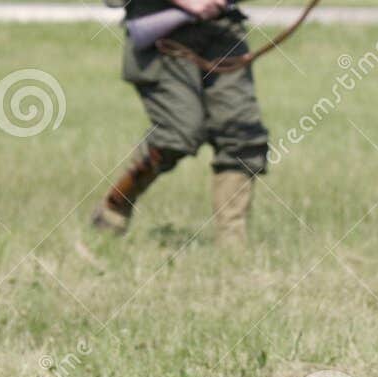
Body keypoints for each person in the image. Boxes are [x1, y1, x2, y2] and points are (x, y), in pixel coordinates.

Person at [90, 0, 270, 246]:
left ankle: (232, 250)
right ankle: (115, 208)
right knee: (177, 135)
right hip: (162, 33)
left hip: (223, 31)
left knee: (242, 133)